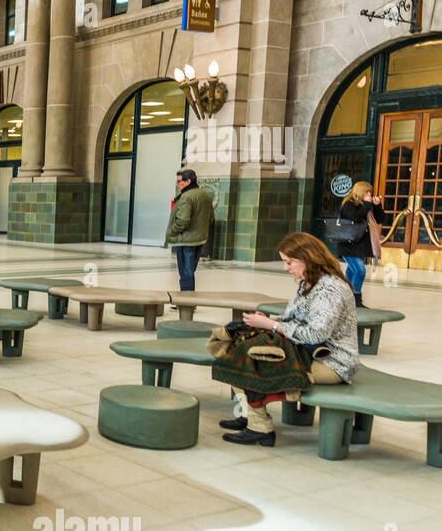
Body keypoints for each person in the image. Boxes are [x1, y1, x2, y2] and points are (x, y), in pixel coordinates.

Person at [222, 232, 360, 447]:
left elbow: (316, 334)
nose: (286, 268)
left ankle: (260, 429)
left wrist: (272, 326)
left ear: (308, 257)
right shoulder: (309, 281)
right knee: (236, 349)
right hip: (306, 351)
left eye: (289, 262)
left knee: (255, 362)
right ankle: (250, 416)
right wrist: (270, 319)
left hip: (332, 362)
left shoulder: (330, 288)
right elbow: (296, 317)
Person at [335, 180, 386, 308]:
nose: (369, 194)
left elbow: (380, 219)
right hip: (348, 245)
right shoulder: (349, 204)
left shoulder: (366, 205)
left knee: (352, 272)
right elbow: (356, 217)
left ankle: (345, 298)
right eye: (367, 191)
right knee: (360, 270)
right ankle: (356, 300)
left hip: (359, 245)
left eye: (370, 192)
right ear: (360, 192)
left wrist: (377, 205)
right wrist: (368, 205)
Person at [164, 166, 213, 292]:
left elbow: (183, 220)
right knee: (190, 270)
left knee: (186, 273)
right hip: (200, 239)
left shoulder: (186, 197)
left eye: (179, 181)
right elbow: (211, 217)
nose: (177, 184)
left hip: (186, 240)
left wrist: (173, 231)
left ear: (188, 182)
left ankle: (186, 302)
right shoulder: (205, 195)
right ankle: (188, 300)